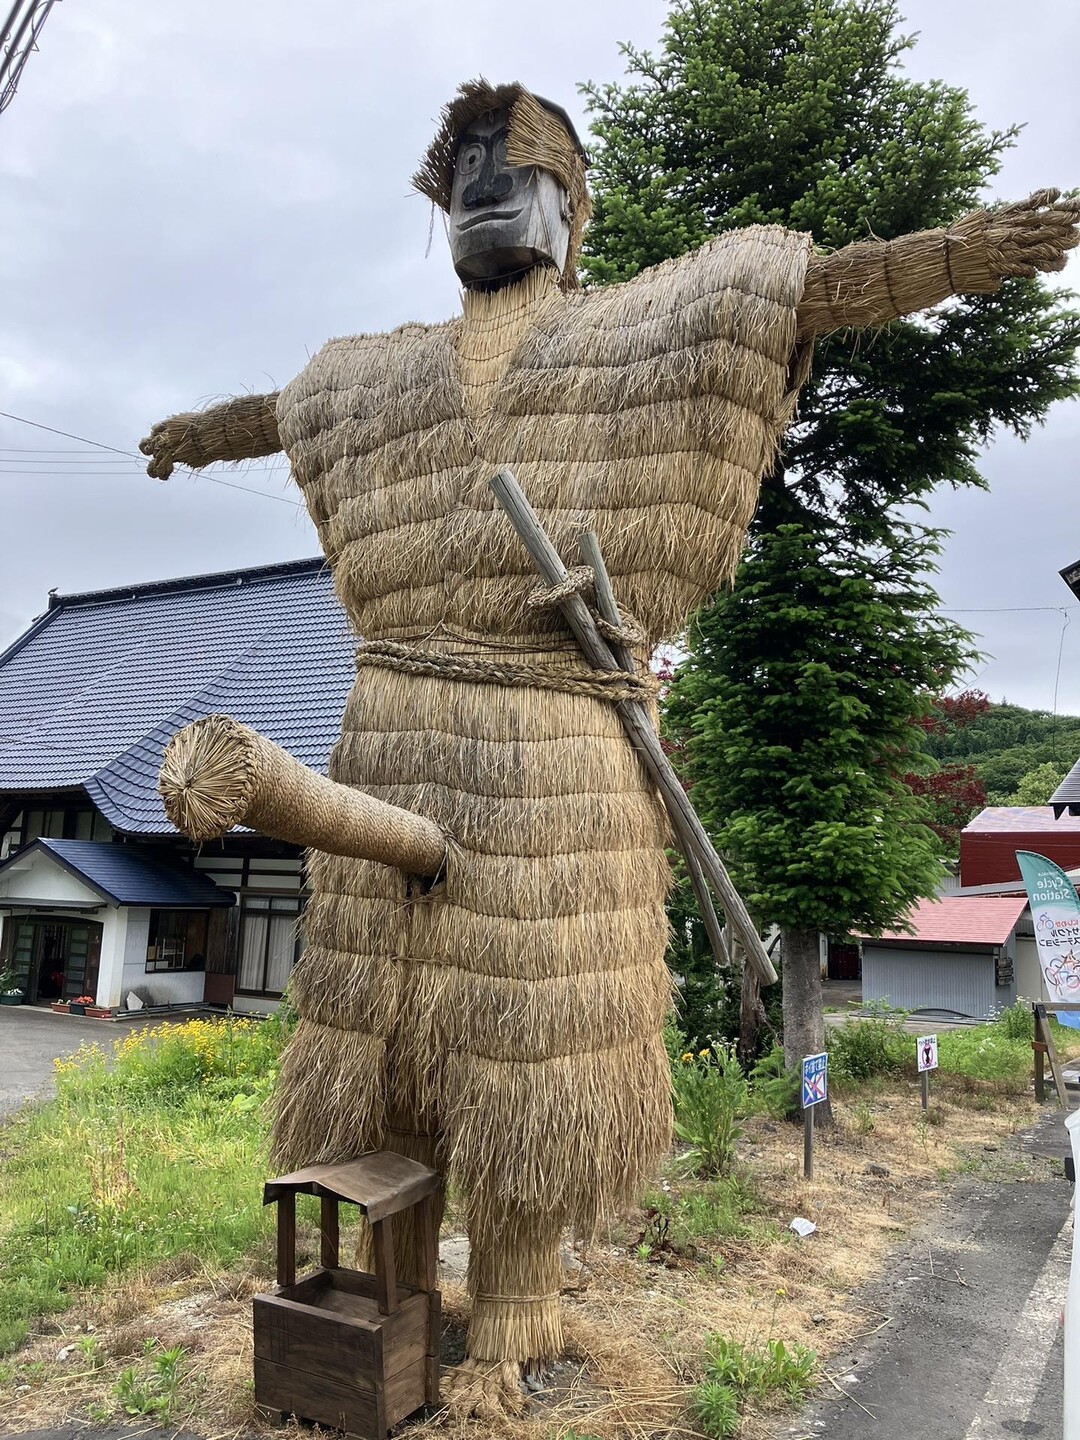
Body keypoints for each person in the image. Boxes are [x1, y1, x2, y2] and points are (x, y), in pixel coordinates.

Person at [141, 80, 1079, 1412]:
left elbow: (808, 292)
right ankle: (398, 1288)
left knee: (530, 1046)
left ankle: (517, 1311)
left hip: (554, 754)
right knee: (380, 1046)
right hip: (393, 729)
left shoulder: (636, 331)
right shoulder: (372, 375)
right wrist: (194, 431)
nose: (479, 180)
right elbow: (281, 409)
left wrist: (956, 257)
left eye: (509, 166)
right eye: (458, 167)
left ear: (570, 209)